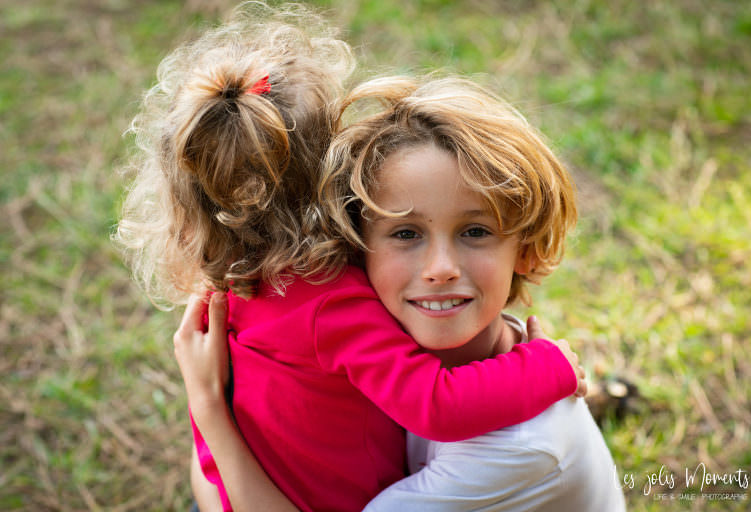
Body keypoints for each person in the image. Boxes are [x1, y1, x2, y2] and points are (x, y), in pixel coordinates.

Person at [115, 3, 586, 511]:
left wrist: (206, 408)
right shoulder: (331, 302)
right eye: (404, 233)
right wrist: (548, 366)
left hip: (225, 486)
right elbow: (438, 405)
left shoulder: (228, 282)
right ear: (334, 174)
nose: (438, 266)